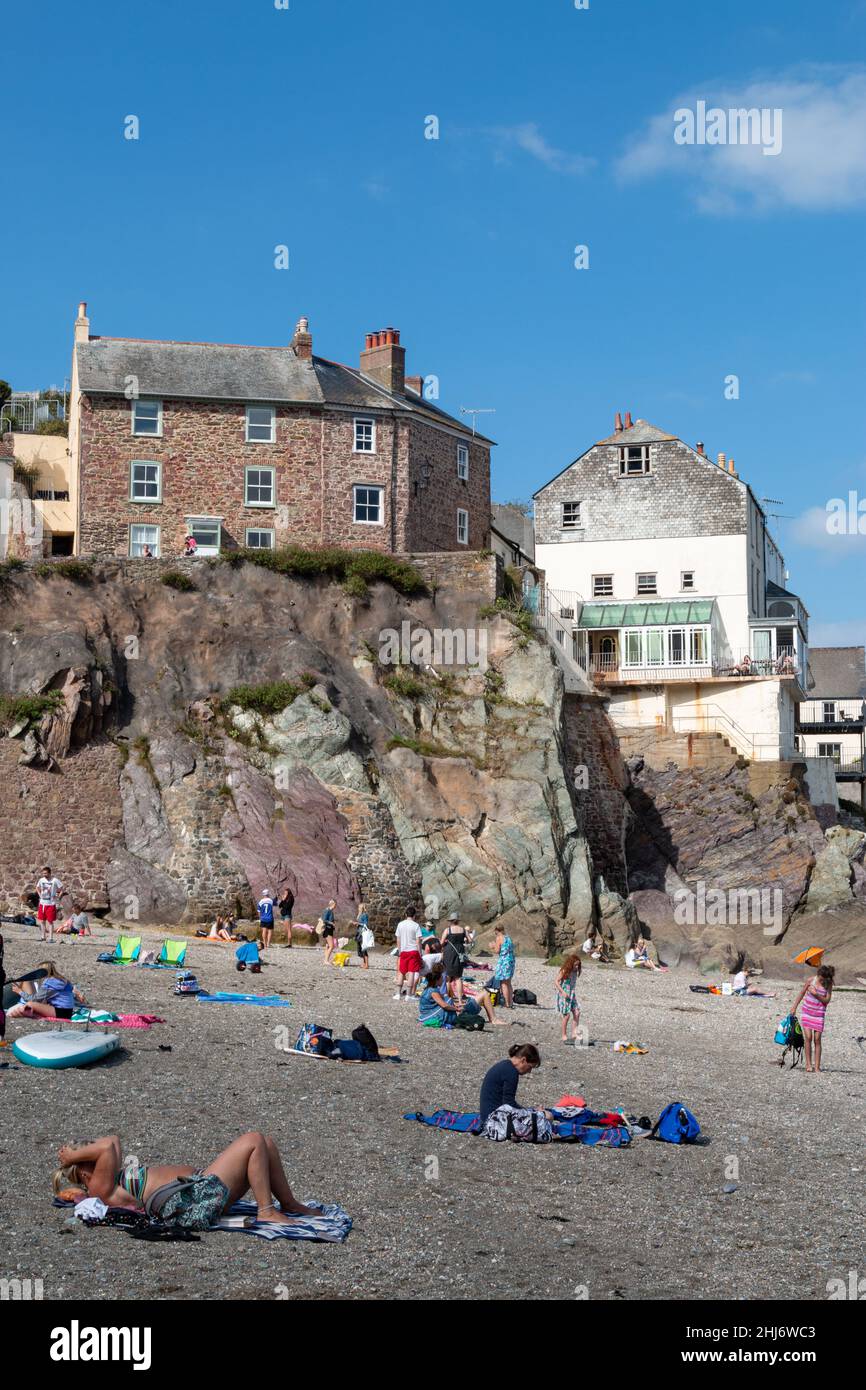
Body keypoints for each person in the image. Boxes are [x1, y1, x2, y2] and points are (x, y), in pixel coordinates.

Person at [52, 1131, 318, 1229]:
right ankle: (266, 1211)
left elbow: (112, 1140)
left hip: (199, 1189)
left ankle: (289, 1203)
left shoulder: (109, 1177)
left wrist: (78, 1155)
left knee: (266, 1143)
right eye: (91, 1158)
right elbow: (106, 1149)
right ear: (87, 1171)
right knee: (254, 1140)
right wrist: (72, 1158)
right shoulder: (99, 1188)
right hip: (194, 1199)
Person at [418, 965, 504, 1028]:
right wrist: (457, 1009)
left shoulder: (430, 989)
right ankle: (493, 1019)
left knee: (482, 995)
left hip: (450, 1014)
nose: (444, 979)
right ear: (437, 979)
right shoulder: (433, 991)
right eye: (442, 978)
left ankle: (493, 1018)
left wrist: (457, 1005)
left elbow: (442, 1005)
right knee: (484, 994)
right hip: (453, 1016)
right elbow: (444, 1005)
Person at [479, 1044, 542, 1126]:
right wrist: (532, 1112)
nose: (529, 1071)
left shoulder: (505, 1065)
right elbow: (509, 1104)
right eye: (530, 1067)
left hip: (486, 1115)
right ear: (523, 1060)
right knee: (545, 1118)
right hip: (493, 1120)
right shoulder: (511, 1072)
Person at [792, 963, 835, 1073]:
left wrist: (816, 995)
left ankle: (817, 1067)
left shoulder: (828, 984)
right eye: (819, 977)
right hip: (807, 1012)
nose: (820, 979)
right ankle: (808, 1065)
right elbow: (801, 993)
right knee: (808, 1037)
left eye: (822, 978)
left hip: (819, 1015)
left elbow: (827, 1001)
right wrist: (794, 1007)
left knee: (817, 1040)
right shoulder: (811, 980)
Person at [7, 961, 87, 1019]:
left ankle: (27, 1014)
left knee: (30, 1004)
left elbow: (34, 1000)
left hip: (62, 1012)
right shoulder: (61, 979)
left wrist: (19, 991)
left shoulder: (50, 983)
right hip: (67, 1011)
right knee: (36, 1003)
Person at [440, 911, 470, 1005]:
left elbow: (441, 943)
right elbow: (470, 941)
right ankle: (460, 1000)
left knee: (448, 977)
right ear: (458, 921)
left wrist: (445, 942)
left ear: (451, 921)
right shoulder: (463, 930)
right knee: (458, 977)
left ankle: (449, 998)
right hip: (460, 952)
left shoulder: (447, 930)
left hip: (449, 952)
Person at [394, 908, 423, 1000]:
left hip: (404, 951)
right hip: (413, 951)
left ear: (406, 914)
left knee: (401, 971)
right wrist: (420, 953)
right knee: (411, 972)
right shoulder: (416, 925)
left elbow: (398, 939)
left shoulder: (400, 924)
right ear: (414, 916)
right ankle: (408, 995)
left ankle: (398, 994)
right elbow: (418, 941)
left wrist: (399, 951)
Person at [555, 953, 582, 1042]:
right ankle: (563, 1035)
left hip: (572, 995)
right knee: (566, 1015)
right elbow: (556, 981)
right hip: (564, 995)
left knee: (577, 1012)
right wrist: (562, 992)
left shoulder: (575, 971)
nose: (577, 966)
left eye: (578, 965)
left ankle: (574, 1033)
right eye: (575, 965)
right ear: (571, 964)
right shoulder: (565, 970)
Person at [35, 866, 64, 944]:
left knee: (50, 921)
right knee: (42, 921)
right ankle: (43, 936)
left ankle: (51, 938)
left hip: (50, 903)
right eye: (43, 873)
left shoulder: (55, 880)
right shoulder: (41, 880)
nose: (44, 875)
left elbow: (61, 888)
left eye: (45, 873)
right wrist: (39, 894)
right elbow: (37, 887)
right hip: (42, 903)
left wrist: (58, 896)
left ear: (49, 873)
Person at [490, 924, 516, 1009]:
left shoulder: (499, 938)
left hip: (504, 961)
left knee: (503, 983)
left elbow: (497, 951)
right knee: (508, 983)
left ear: (496, 930)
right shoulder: (508, 938)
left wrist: (492, 946)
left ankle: (507, 1003)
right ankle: (511, 1002)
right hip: (511, 960)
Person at [257, 889, 276, 953]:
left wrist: (260, 918)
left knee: (264, 930)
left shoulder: (260, 901)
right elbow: (276, 904)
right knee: (270, 931)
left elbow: (259, 911)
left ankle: (264, 944)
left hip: (263, 918)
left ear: (263, 894)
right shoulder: (271, 900)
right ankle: (268, 943)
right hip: (270, 918)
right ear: (268, 894)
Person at [354, 902, 371, 971]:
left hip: (363, 933)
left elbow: (366, 924)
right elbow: (360, 924)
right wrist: (356, 923)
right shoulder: (360, 915)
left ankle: (366, 964)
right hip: (359, 933)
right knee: (359, 949)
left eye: (359, 907)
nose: (358, 909)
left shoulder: (365, 915)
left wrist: (358, 923)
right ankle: (364, 963)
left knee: (363, 949)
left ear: (362, 908)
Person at [320, 899, 337, 965]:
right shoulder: (328, 911)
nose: (335, 906)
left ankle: (326, 959)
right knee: (331, 946)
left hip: (329, 929)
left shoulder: (329, 910)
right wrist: (331, 923)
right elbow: (324, 920)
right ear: (333, 904)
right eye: (335, 904)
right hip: (327, 929)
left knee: (327, 945)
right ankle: (326, 960)